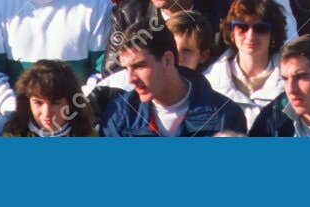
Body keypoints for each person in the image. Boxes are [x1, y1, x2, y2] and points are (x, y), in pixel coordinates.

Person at [98, 23, 245, 136]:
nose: (131, 79)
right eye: (126, 68)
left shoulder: (225, 115)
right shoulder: (118, 115)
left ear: (167, 60)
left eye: (140, 66)